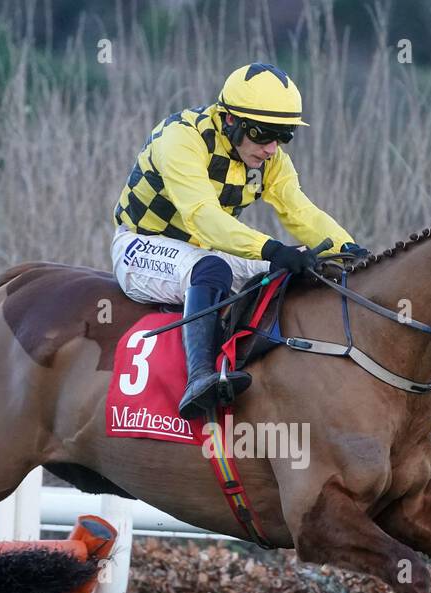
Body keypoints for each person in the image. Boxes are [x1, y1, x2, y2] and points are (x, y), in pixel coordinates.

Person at [111, 62, 368, 418]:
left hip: (204, 251)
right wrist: (270, 249)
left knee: (300, 269)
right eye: (263, 133)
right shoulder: (181, 138)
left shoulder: (271, 159)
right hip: (140, 246)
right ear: (230, 120)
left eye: (284, 135)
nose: (272, 149)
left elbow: (301, 211)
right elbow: (202, 216)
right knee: (213, 267)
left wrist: (348, 249)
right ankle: (199, 379)